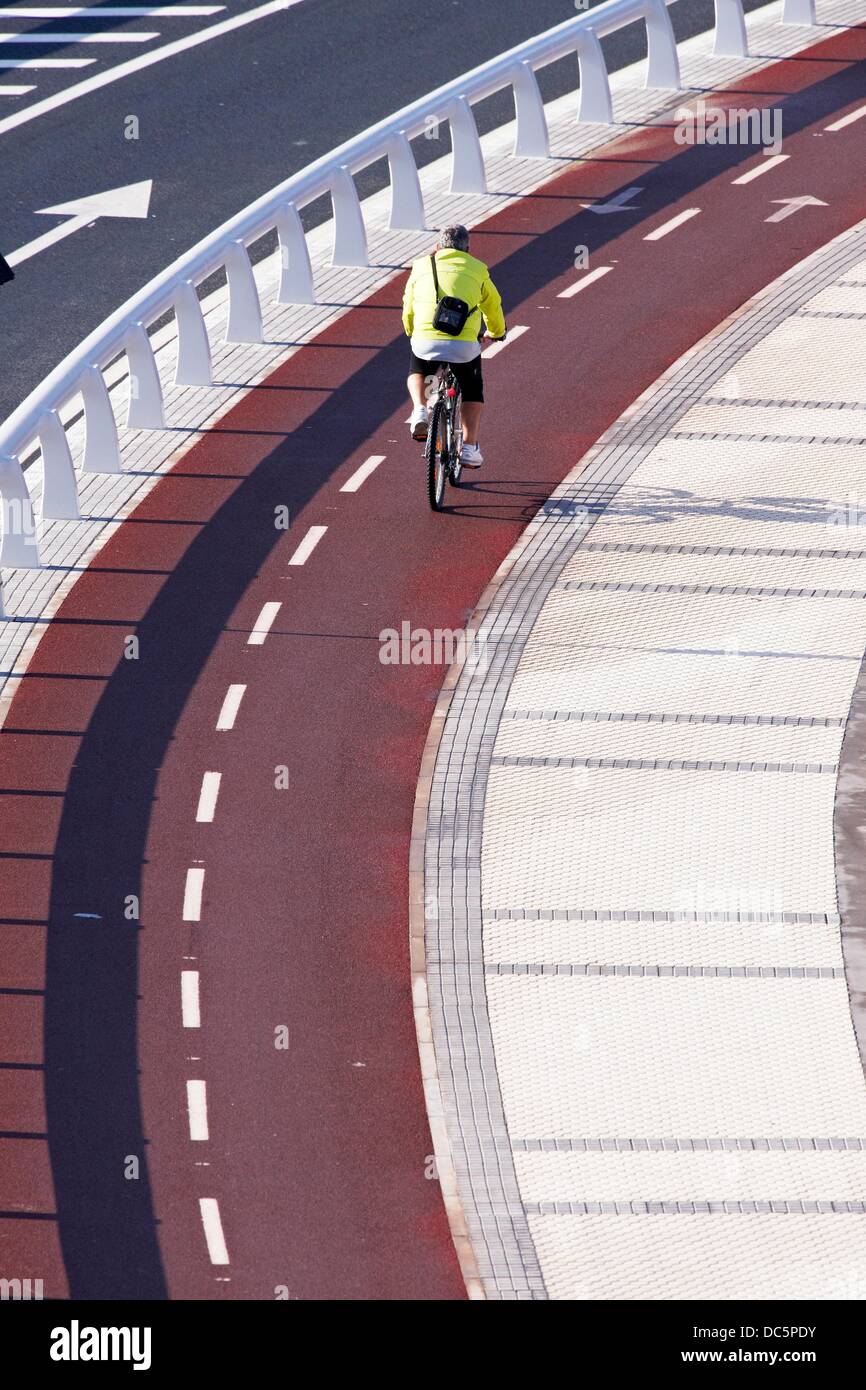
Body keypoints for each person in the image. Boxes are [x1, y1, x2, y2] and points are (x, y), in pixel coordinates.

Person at [402, 225, 505, 468]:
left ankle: (419, 410)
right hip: (463, 345)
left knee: (419, 370)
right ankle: (469, 449)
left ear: (438, 247)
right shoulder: (478, 269)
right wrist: (497, 333)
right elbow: (493, 305)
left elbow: (409, 304)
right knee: (472, 389)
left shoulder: (421, 266)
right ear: (467, 249)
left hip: (425, 340)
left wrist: (411, 331)